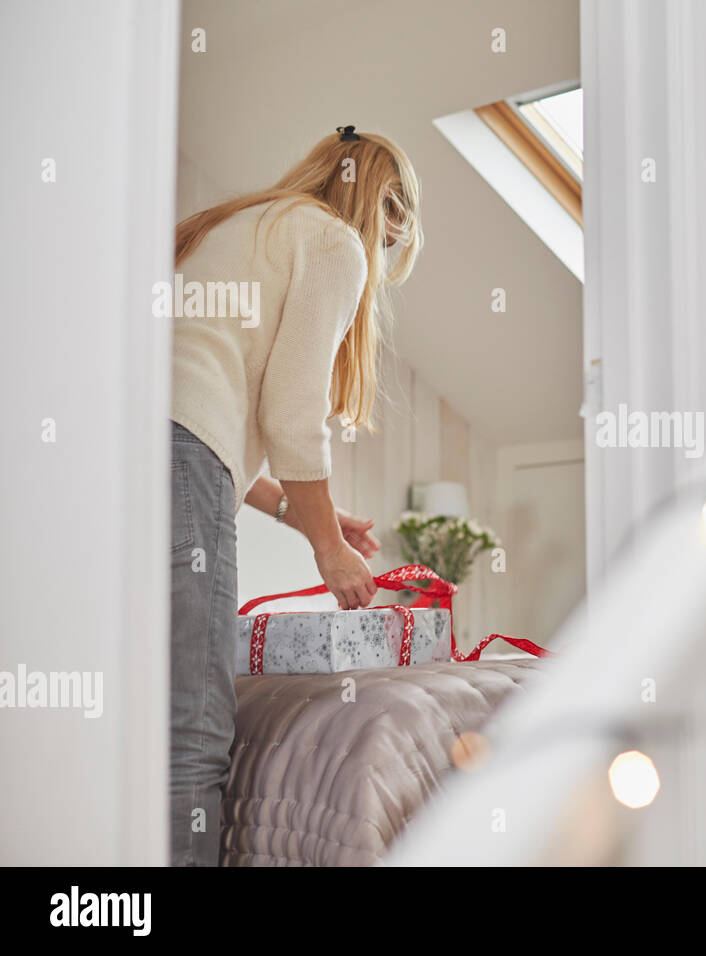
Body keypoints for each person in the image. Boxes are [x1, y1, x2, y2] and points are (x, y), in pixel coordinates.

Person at [167, 126, 423, 865]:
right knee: (195, 723)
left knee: (144, 698)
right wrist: (329, 548)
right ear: (388, 213)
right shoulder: (333, 241)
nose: (382, 251)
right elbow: (288, 409)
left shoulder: (240, 225)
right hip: (178, 458)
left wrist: (296, 508)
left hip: (123, 456)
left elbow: (199, 417)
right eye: (391, 238)